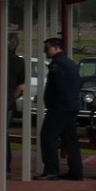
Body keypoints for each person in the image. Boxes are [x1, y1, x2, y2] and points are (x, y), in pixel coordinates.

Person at [40, 36, 85, 180]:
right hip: (71, 106)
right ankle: (76, 171)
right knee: (70, 139)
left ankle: (51, 170)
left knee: (48, 137)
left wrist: (50, 101)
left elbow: (57, 86)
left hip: (59, 107)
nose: (45, 51)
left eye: (47, 48)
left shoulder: (57, 64)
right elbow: (79, 84)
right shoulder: (70, 63)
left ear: (55, 48)